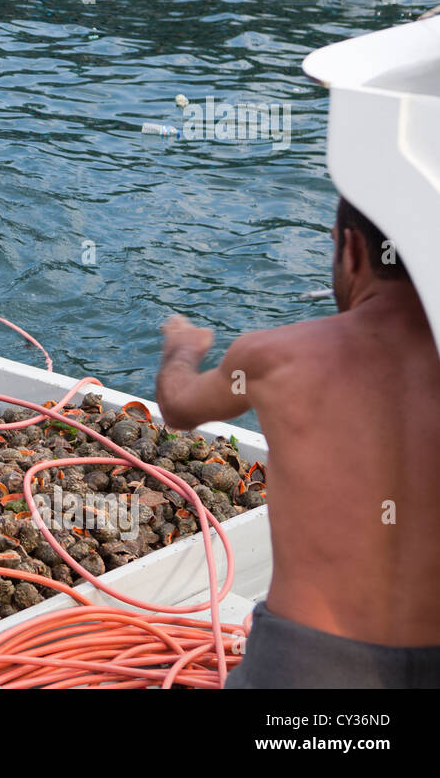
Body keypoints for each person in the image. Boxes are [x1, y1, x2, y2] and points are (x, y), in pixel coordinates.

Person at [155, 197, 440, 687]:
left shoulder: (277, 360)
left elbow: (179, 406)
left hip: (309, 665)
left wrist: (181, 351)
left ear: (350, 248)